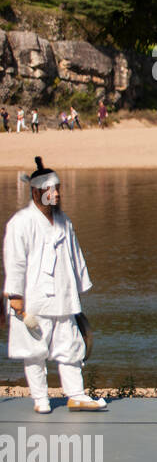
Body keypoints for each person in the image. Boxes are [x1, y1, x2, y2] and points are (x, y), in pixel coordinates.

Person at [4, 157, 104, 413]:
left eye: (58, 189)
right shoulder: (21, 222)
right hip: (33, 298)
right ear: (36, 192)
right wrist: (15, 295)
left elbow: (75, 256)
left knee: (70, 347)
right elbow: (15, 260)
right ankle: (40, 399)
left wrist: (78, 289)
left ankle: (76, 395)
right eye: (50, 189)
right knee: (34, 351)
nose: (56, 194)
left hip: (63, 296)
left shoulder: (64, 221)